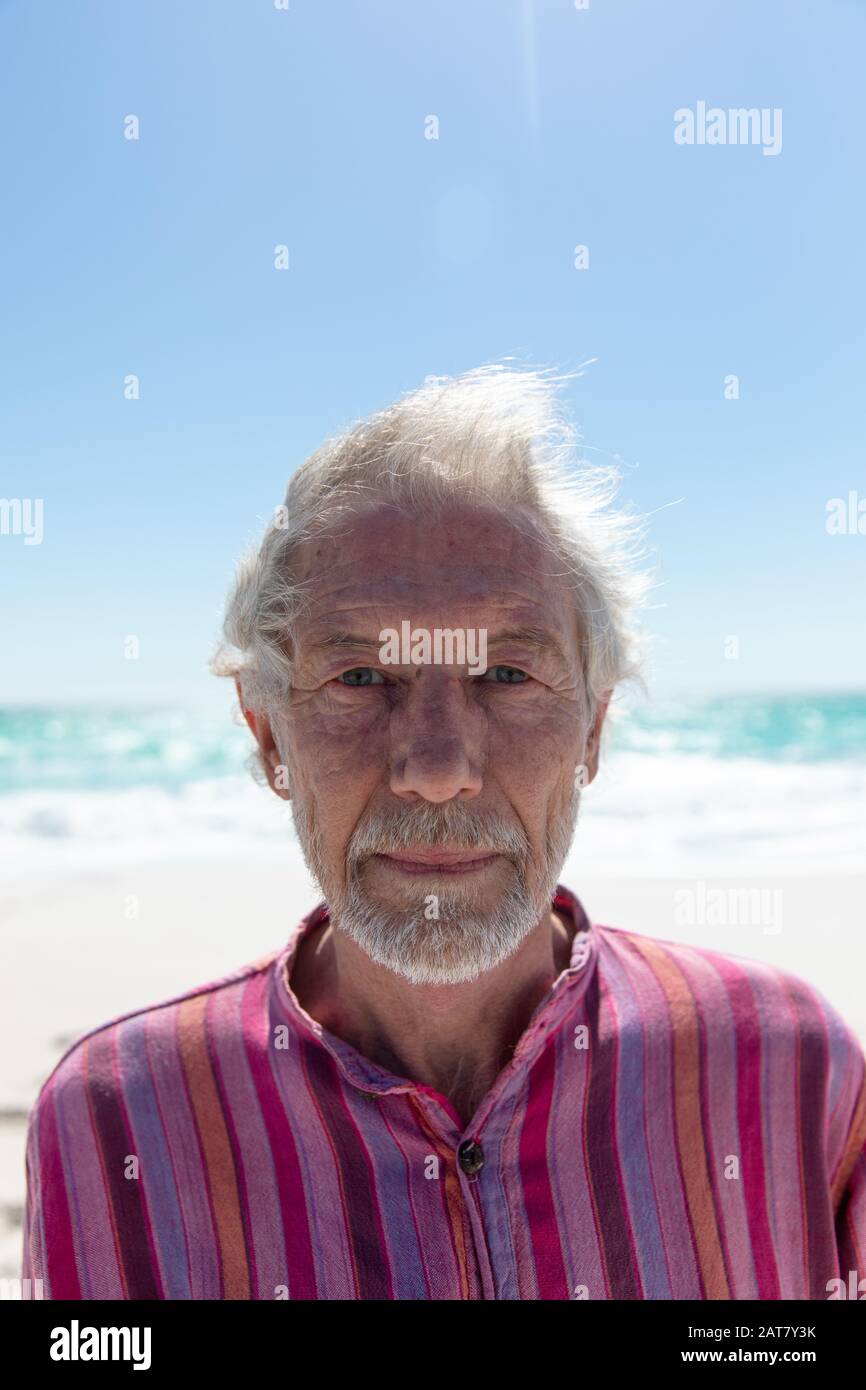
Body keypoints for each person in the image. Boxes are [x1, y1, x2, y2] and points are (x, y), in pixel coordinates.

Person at [22, 366, 866, 1299]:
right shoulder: (116, 1123)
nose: (434, 766)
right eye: (359, 678)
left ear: (592, 727)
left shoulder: (790, 1073)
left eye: (507, 676)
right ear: (268, 734)